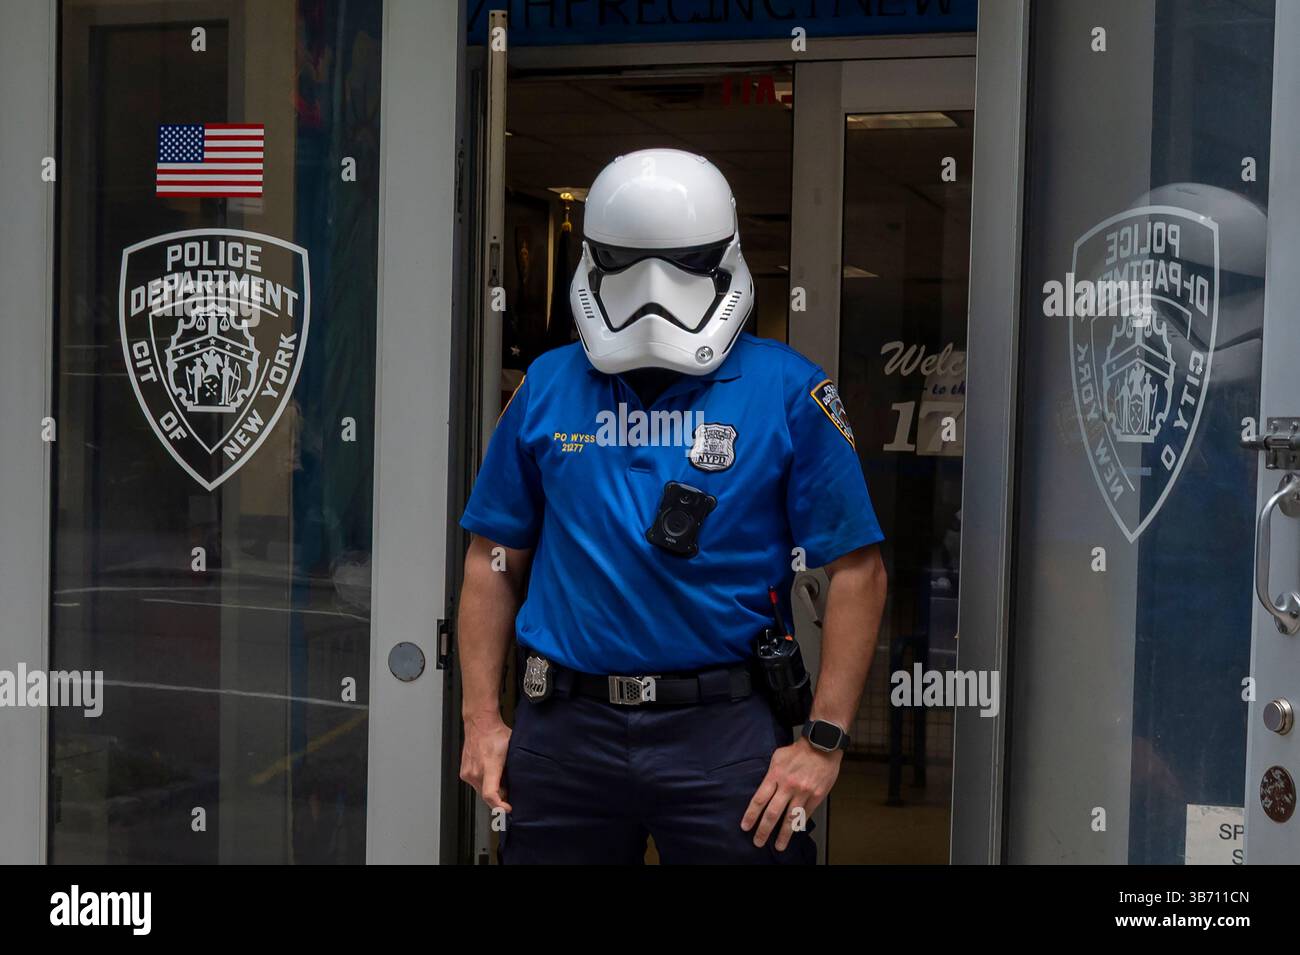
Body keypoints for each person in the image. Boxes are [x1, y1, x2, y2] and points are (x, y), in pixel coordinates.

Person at [457, 148, 887, 864]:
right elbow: (491, 558)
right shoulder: (547, 385)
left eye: (682, 263)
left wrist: (825, 739)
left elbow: (857, 569)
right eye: (626, 263)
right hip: (567, 731)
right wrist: (480, 719)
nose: (653, 290)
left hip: (722, 733)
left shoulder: (786, 390)